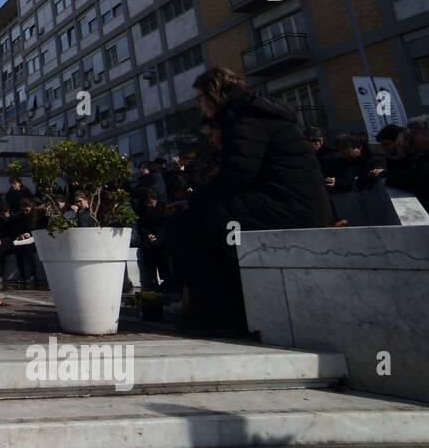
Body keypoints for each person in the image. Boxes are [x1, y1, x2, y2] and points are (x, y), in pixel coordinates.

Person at [166, 68, 331, 332]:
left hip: (287, 204)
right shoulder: (252, 110)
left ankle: (221, 317)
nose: (199, 105)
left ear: (212, 94)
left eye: (199, 98)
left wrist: (195, 203)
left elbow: (238, 174)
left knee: (184, 228)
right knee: (204, 226)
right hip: (291, 200)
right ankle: (229, 310)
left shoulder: (241, 115)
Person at [385, 115, 429, 217]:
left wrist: (392, 179)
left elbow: (416, 180)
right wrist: (400, 153)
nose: (410, 137)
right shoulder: (420, 155)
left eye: (415, 133)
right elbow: (394, 174)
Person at [5, 197, 45, 288]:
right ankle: (22, 274)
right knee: (18, 249)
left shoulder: (38, 215)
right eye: (23, 210)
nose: (25, 212)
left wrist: (30, 234)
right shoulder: (21, 216)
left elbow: (39, 228)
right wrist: (21, 235)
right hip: (25, 240)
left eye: (27, 210)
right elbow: (19, 228)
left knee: (28, 250)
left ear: (31, 207)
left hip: (35, 239)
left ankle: (32, 274)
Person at [135, 189, 168, 290]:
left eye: (152, 202)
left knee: (160, 252)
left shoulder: (163, 207)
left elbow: (165, 224)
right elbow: (141, 226)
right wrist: (148, 234)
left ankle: (165, 278)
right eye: (148, 203)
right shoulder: (143, 210)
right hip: (149, 237)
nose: (151, 205)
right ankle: (152, 279)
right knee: (148, 252)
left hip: (162, 236)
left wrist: (157, 236)